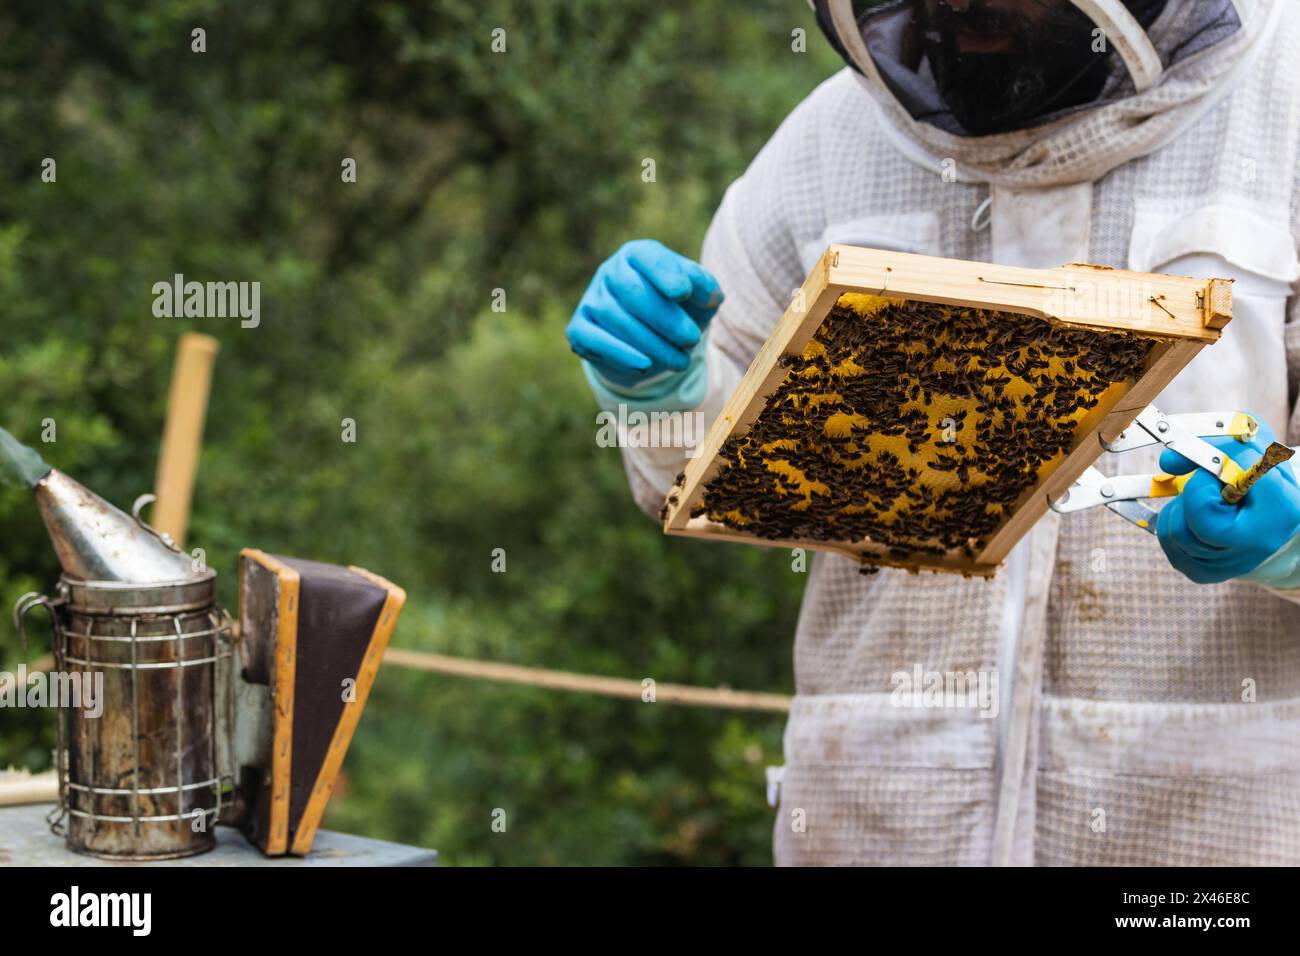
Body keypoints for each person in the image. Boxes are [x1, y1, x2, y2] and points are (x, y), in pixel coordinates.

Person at [566, 0, 1300, 865]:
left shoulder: (1279, 108)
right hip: (877, 825)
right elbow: (704, 471)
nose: (957, 16)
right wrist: (660, 389)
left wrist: (1289, 541)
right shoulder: (828, 143)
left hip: (1203, 847)